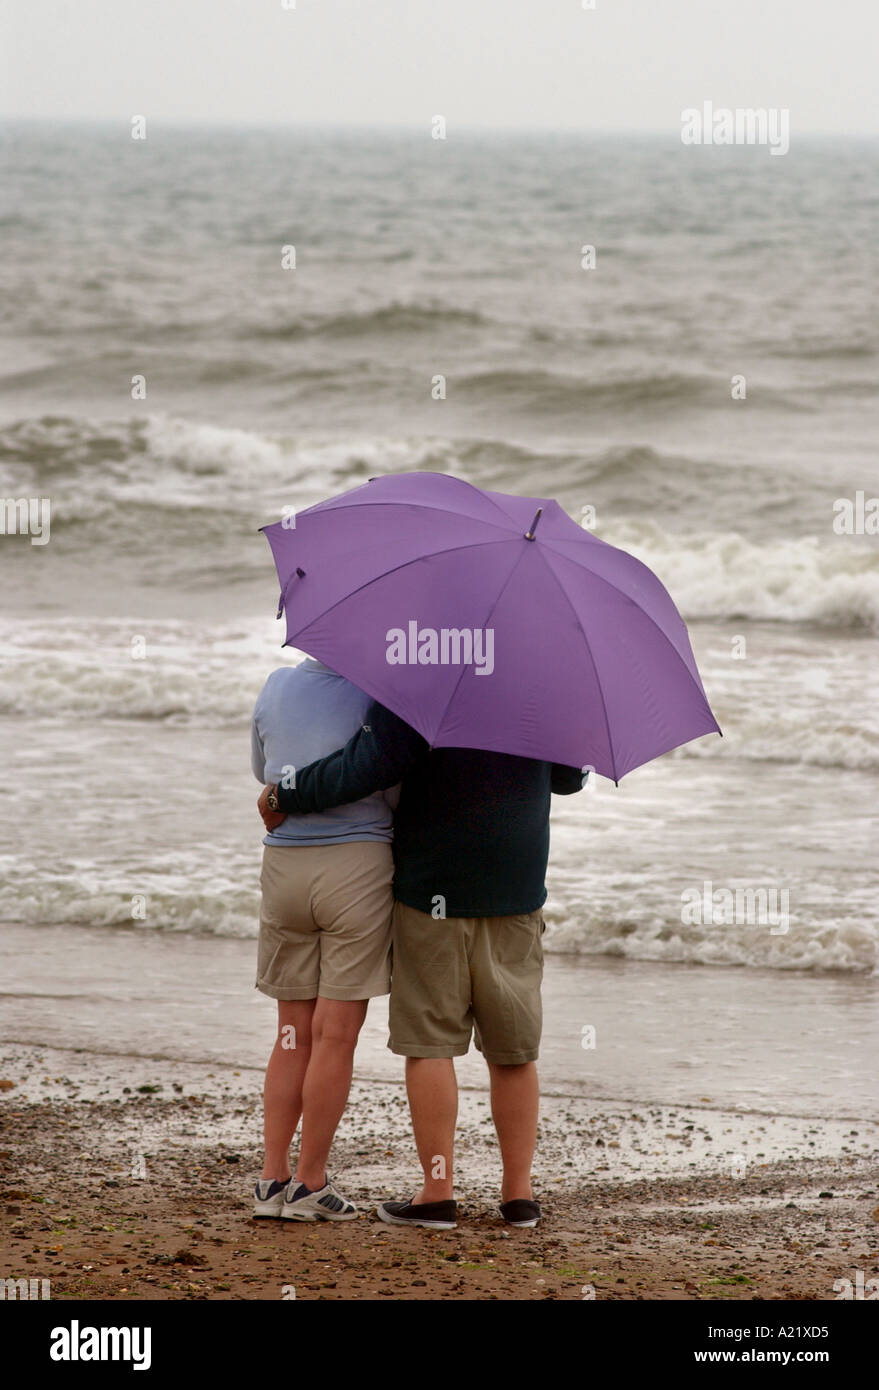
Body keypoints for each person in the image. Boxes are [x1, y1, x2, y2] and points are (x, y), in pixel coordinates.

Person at [259, 698, 583, 1229]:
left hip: (431, 887)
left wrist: (286, 792)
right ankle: (518, 1195)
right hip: (516, 887)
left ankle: (438, 1192)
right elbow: (570, 777)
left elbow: (371, 763)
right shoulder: (541, 682)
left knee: (431, 1044)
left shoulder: (422, 675)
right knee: (513, 1050)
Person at [250, 657, 398, 1221]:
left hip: (284, 864)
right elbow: (389, 782)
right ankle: (311, 1182)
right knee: (334, 1036)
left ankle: (270, 1181)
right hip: (356, 864)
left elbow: (266, 771)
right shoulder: (380, 694)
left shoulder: (278, 682)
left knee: (291, 1033)